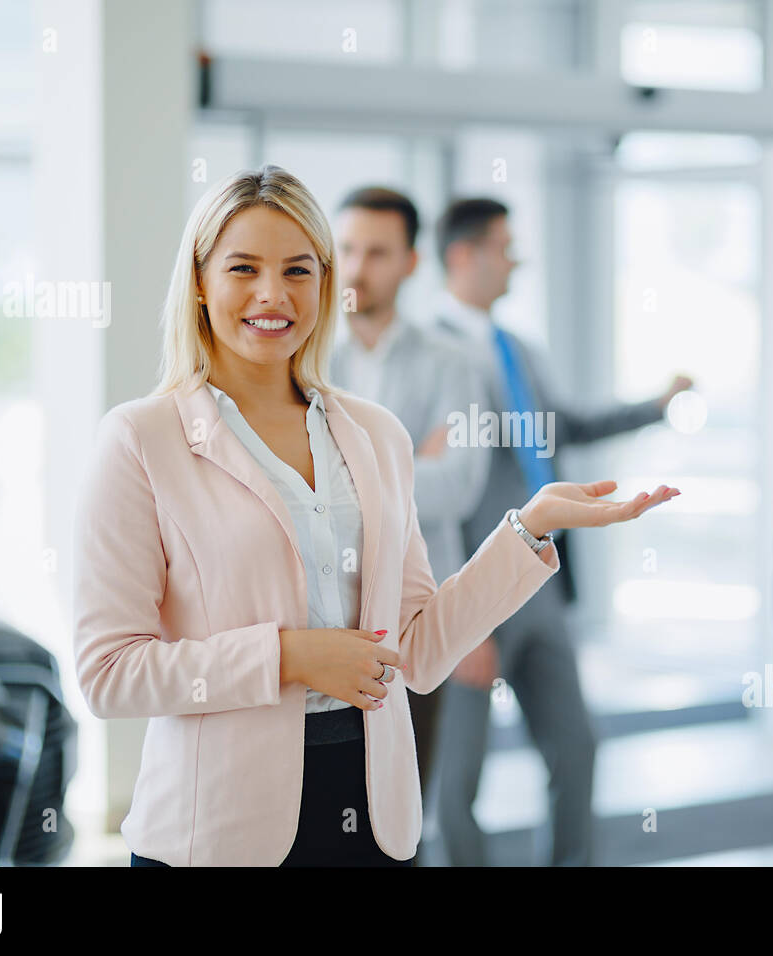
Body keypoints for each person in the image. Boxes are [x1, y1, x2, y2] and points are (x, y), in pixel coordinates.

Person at [72, 165, 680, 867]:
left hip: (373, 818)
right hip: (217, 834)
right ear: (202, 281)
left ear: (326, 285)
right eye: (244, 267)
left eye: (298, 270)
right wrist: (289, 656)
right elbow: (110, 673)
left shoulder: (375, 434)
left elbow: (417, 651)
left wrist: (529, 527)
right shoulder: (142, 439)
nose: (273, 294)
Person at [430, 197, 693, 866]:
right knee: (456, 779)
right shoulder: (427, 353)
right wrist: (456, 616)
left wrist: (655, 407)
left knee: (576, 746)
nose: (517, 259)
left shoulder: (516, 347)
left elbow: (564, 427)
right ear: (464, 255)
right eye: (504, 245)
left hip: (540, 578)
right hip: (467, 591)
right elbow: (423, 497)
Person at [328, 185, 489, 836]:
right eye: (346, 249)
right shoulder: (307, 358)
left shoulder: (455, 364)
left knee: (399, 822)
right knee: (325, 815)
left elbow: (460, 486)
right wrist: (401, 462)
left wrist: (340, 476)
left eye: (376, 252)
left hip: (413, 623)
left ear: (411, 263)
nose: (357, 268)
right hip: (324, 618)